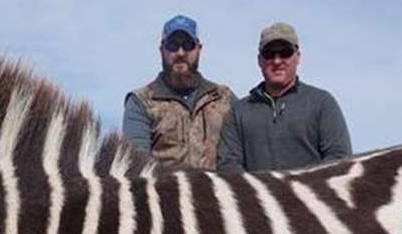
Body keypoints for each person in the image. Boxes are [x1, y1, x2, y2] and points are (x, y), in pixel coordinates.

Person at [217, 22, 351, 173]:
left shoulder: (322, 103)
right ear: (259, 60)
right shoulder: (238, 112)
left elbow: (340, 158)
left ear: (298, 57)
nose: (277, 61)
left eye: (285, 52)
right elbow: (228, 164)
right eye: (269, 54)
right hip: (255, 196)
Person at [122, 14, 235, 170]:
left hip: (217, 192)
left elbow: (239, 157)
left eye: (188, 45)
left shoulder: (224, 98)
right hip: (165, 193)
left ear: (199, 49)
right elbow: (136, 166)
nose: (180, 53)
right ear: (162, 50)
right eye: (172, 45)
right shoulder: (140, 102)